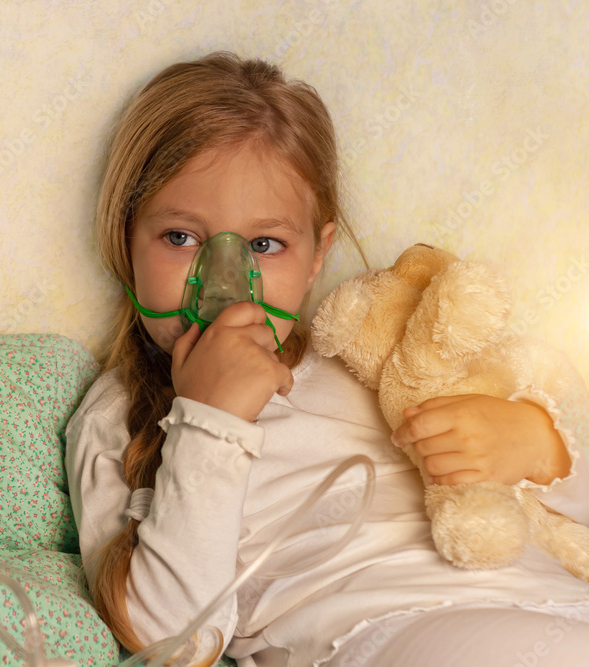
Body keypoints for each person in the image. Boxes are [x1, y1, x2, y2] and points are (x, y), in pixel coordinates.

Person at [65, 51, 589, 667]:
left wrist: (541, 446)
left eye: (265, 244)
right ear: (126, 240)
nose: (226, 284)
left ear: (318, 254)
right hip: (390, 634)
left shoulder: (377, 353)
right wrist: (210, 420)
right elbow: (170, 638)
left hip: (556, 603)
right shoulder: (116, 419)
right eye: (181, 237)